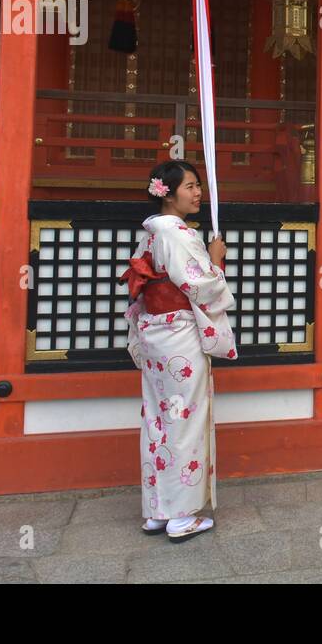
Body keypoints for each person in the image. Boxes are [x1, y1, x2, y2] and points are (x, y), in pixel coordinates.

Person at [119, 160, 238, 542]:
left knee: (158, 417)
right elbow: (202, 286)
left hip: (156, 334)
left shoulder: (153, 234)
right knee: (185, 418)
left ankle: (158, 509)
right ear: (167, 193)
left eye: (198, 184)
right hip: (179, 337)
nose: (198, 192)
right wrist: (216, 259)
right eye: (189, 186)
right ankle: (181, 515)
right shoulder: (178, 235)